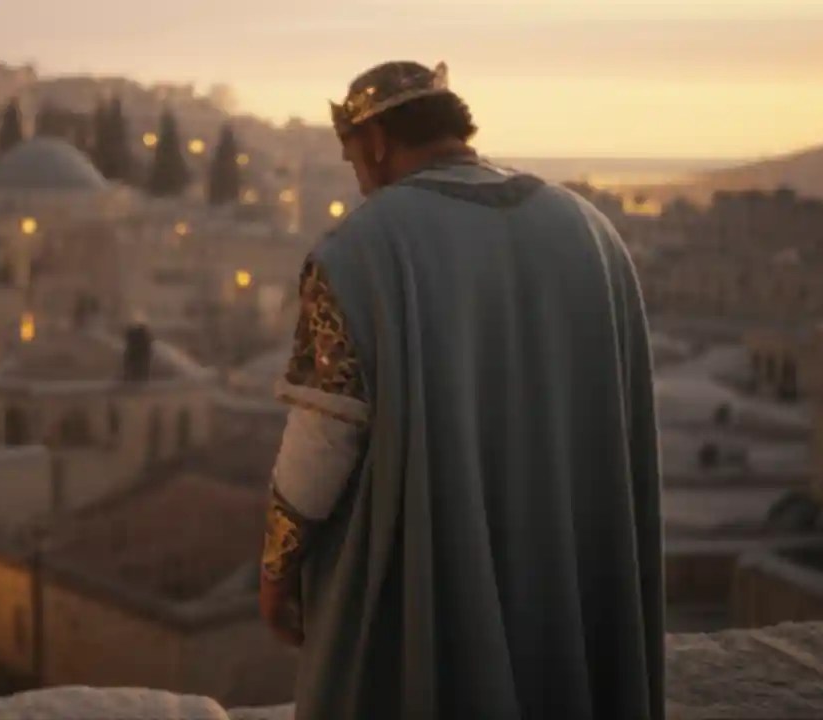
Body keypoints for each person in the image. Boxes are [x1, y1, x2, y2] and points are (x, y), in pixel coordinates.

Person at [258, 61, 664, 719]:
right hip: (569, 557)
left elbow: (323, 434)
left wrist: (278, 569)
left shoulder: (359, 249)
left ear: (378, 141)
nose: (358, 177)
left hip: (438, 575)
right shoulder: (591, 230)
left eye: (352, 156)